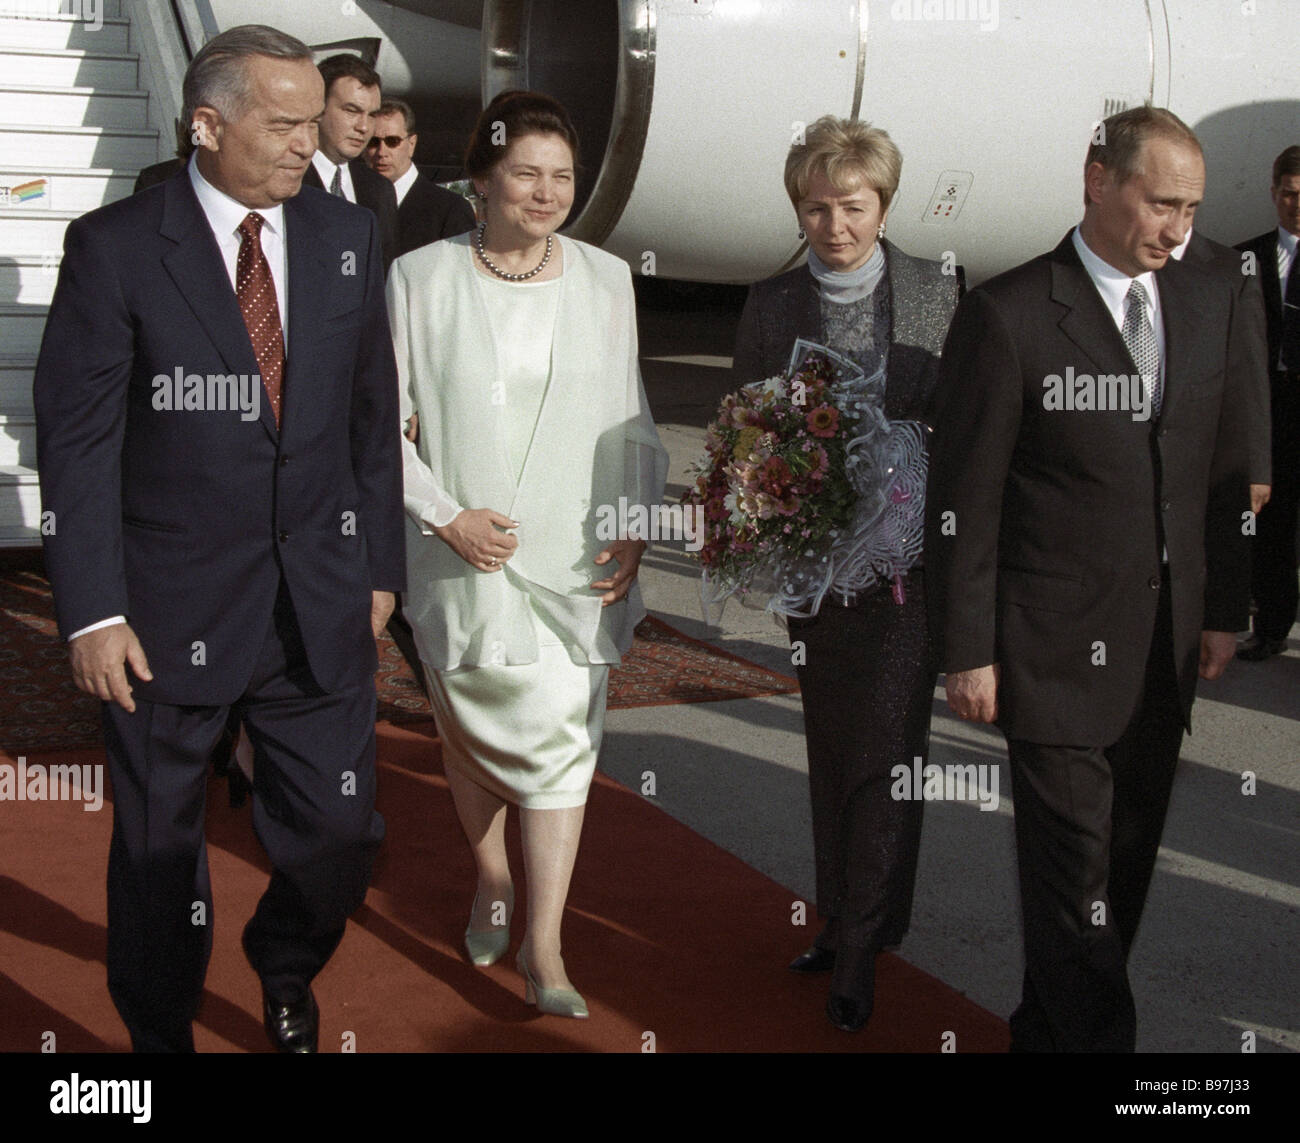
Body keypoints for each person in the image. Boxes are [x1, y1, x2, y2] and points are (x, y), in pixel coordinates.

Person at [33, 24, 405, 1053]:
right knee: (159, 856)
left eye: (314, 122)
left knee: (339, 834)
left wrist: (379, 565)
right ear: (206, 124)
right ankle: (158, 1040)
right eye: (283, 124)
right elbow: (77, 444)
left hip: (317, 605)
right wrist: (95, 611)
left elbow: (373, 417)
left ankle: (283, 959)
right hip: (162, 612)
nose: (310, 144)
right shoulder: (115, 248)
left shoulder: (346, 237)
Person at [926, 106, 1250, 1052]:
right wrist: (968, 648)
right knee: (1074, 878)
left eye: (1189, 208)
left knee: (1123, 869)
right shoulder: (1011, 312)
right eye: (1160, 204)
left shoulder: (1208, 293)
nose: (1177, 228)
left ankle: (1048, 1027)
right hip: (1052, 649)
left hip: (1167, 646)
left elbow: (1223, 469)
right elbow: (967, 499)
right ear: (1097, 180)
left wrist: (1224, 607)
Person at [388, 90, 667, 1018]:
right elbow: (378, 426)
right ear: (483, 179)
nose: (547, 193)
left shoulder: (605, 277)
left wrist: (634, 519)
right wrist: (443, 515)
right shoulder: (419, 279)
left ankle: (546, 942)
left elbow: (632, 416)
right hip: (462, 557)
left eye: (562, 176)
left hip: (576, 559)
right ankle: (489, 877)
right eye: (526, 173)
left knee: (559, 744)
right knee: (468, 737)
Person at [731, 115, 958, 1032]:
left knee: (887, 755)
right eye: (816, 208)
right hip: (816, 579)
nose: (835, 226)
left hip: (906, 580)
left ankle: (864, 940)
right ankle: (840, 913)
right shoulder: (771, 302)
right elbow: (746, 428)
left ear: (885, 203)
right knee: (833, 751)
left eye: (853, 206)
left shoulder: (940, 292)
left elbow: (963, 426)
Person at [1235, 145, 1300, 660]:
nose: (1298, 205)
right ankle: (1272, 628)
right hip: (1270, 403)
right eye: (1290, 194)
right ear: (1274, 193)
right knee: (1272, 522)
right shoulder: (1245, 259)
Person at [1173, 227, 1272, 516]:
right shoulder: (1118, 261)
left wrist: (1256, 470)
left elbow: (1250, 378)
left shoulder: (1234, 269)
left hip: (1209, 461)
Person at [301, 54, 399, 272]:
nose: (364, 127)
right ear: (318, 107)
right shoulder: (288, 180)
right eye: (352, 111)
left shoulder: (380, 190)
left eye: (372, 115)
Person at [365, 98, 477, 256]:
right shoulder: (351, 201)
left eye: (392, 141)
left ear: (412, 144)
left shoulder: (451, 210)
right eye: (373, 142)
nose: (382, 152)